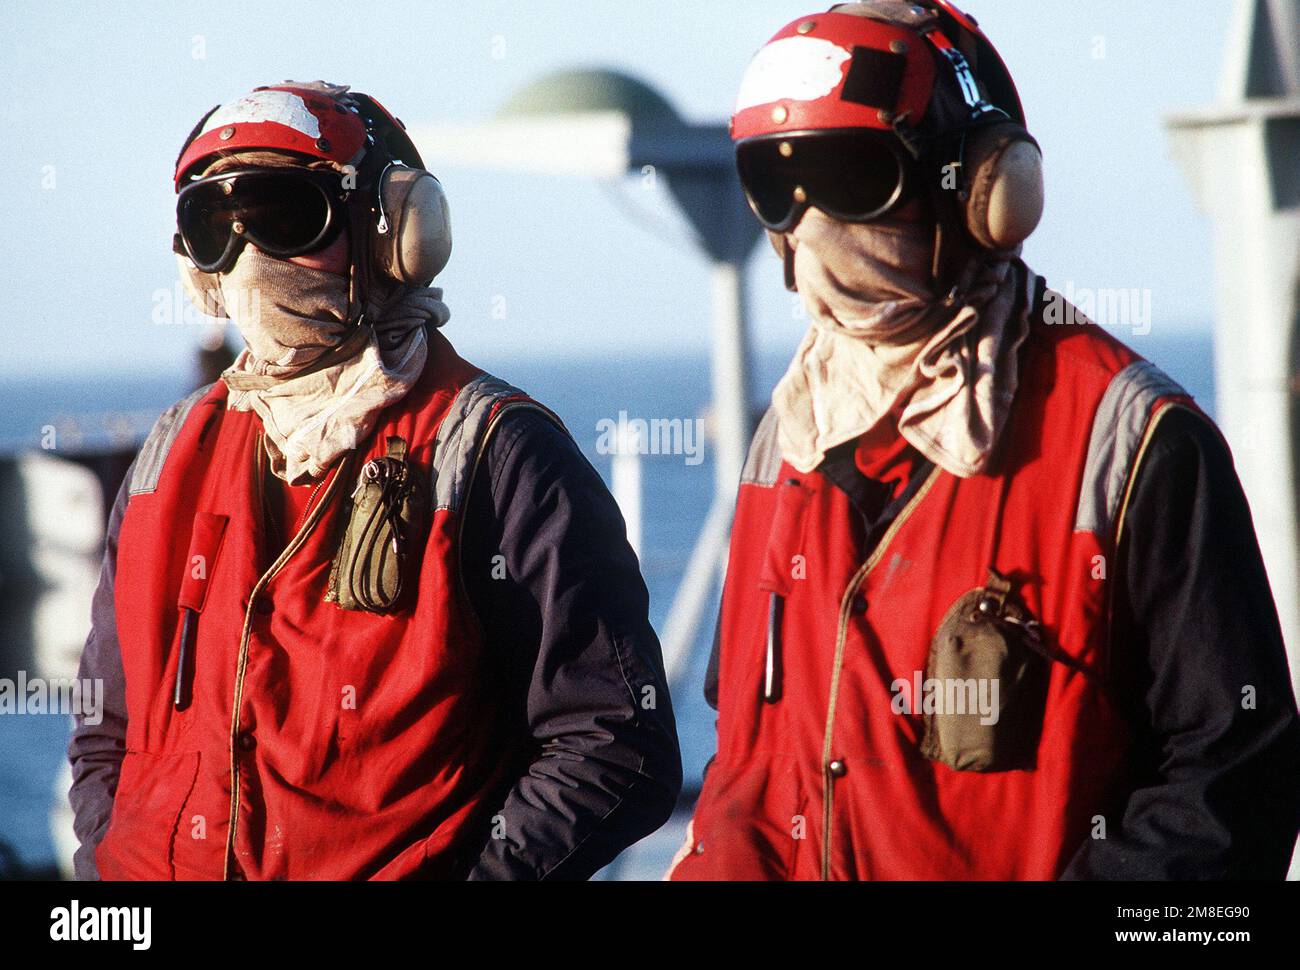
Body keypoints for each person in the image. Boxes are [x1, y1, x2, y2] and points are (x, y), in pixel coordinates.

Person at [669, 1, 1300, 880]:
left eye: (853, 176)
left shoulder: (1133, 443)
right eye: (778, 185)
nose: (812, 225)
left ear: (984, 192)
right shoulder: (789, 433)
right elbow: (748, 744)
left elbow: (1233, 786)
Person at [68, 81, 681, 881]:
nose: (250, 261)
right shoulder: (168, 457)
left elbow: (614, 744)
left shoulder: (497, 450)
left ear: (395, 233)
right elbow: (105, 729)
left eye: (287, 217)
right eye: (215, 227)